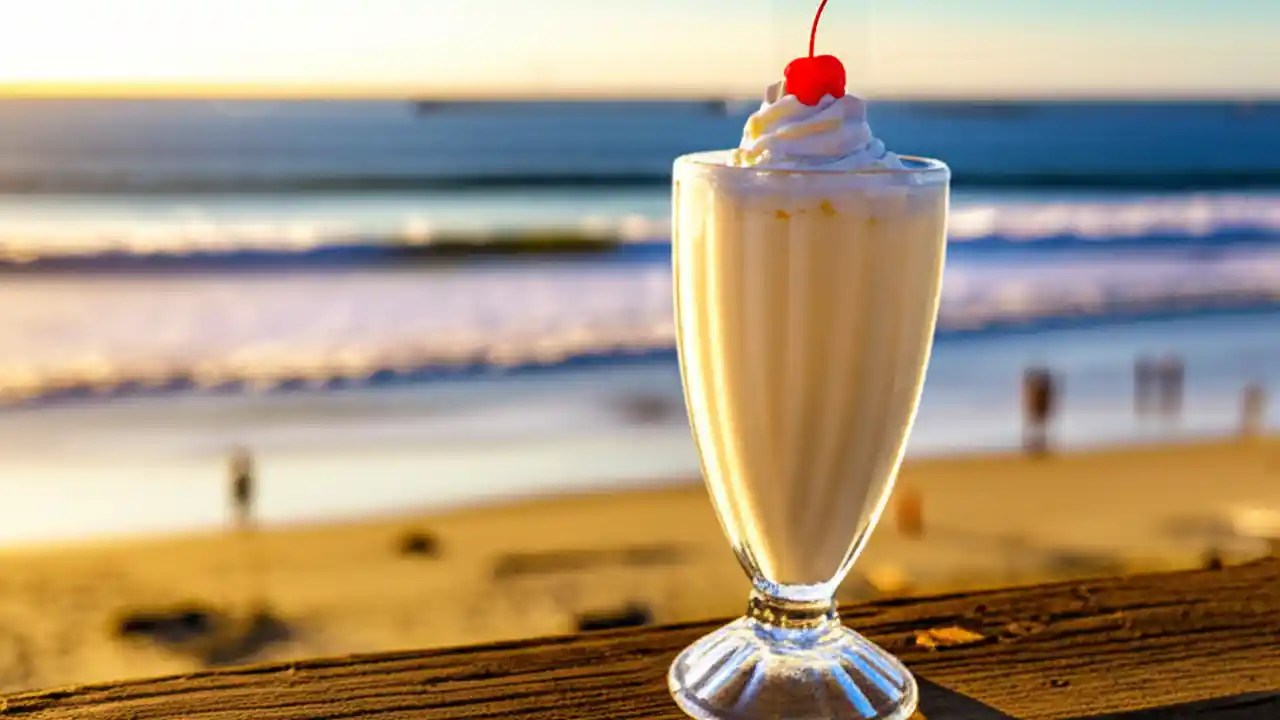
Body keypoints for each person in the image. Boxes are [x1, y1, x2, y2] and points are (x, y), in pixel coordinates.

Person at [1022, 367, 1058, 455]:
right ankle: (1035, 446)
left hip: (1039, 409)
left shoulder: (1038, 388)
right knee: (1037, 427)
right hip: (1037, 409)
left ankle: (1038, 446)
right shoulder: (1034, 388)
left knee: (1039, 427)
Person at [229, 448, 255, 532]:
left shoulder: (244, 475)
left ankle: (243, 523)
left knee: (243, 506)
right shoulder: (240, 474)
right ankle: (241, 523)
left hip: (243, 486)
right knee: (241, 506)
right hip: (241, 486)